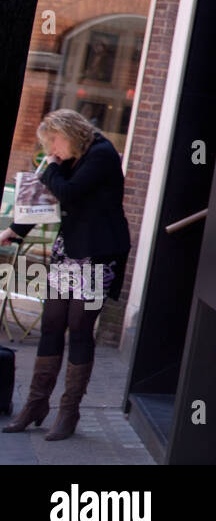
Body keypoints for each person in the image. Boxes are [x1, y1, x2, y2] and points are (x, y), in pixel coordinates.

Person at [1, 110, 131, 440]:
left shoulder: (100, 154)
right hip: (69, 250)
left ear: (68, 133)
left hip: (97, 254)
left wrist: (53, 168)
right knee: (52, 325)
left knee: (80, 329)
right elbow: (45, 198)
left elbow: (68, 192)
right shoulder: (70, 157)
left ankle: (69, 412)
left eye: (53, 144)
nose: (52, 151)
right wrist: (14, 231)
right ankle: (35, 405)